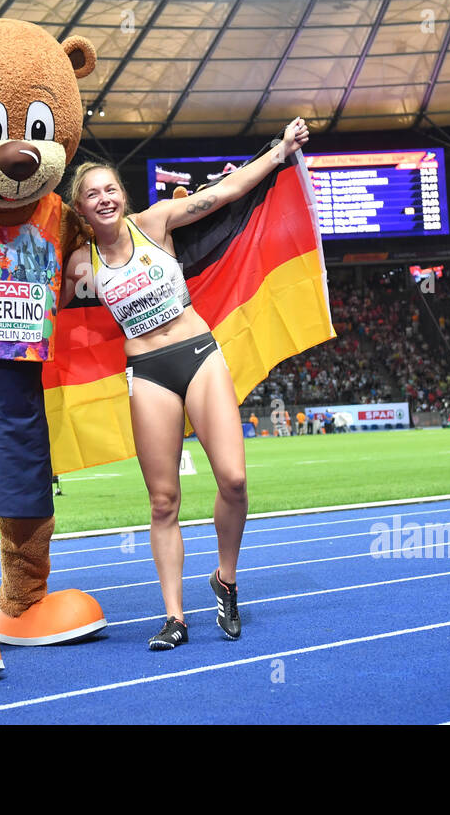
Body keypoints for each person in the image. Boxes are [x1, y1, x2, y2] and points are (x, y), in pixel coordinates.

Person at [62, 117, 311, 650]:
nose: (103, 198)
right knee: (163, 501)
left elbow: (227, 192)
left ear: (123, 196)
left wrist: (280, 151)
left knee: (235, 479)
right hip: (148, 373)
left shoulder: (155, 223)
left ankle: (224, 578)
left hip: (198, 353)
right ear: (79, 208)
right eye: (92, 194)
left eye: (110, 189)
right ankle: (174, 617)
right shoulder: (80, 264)